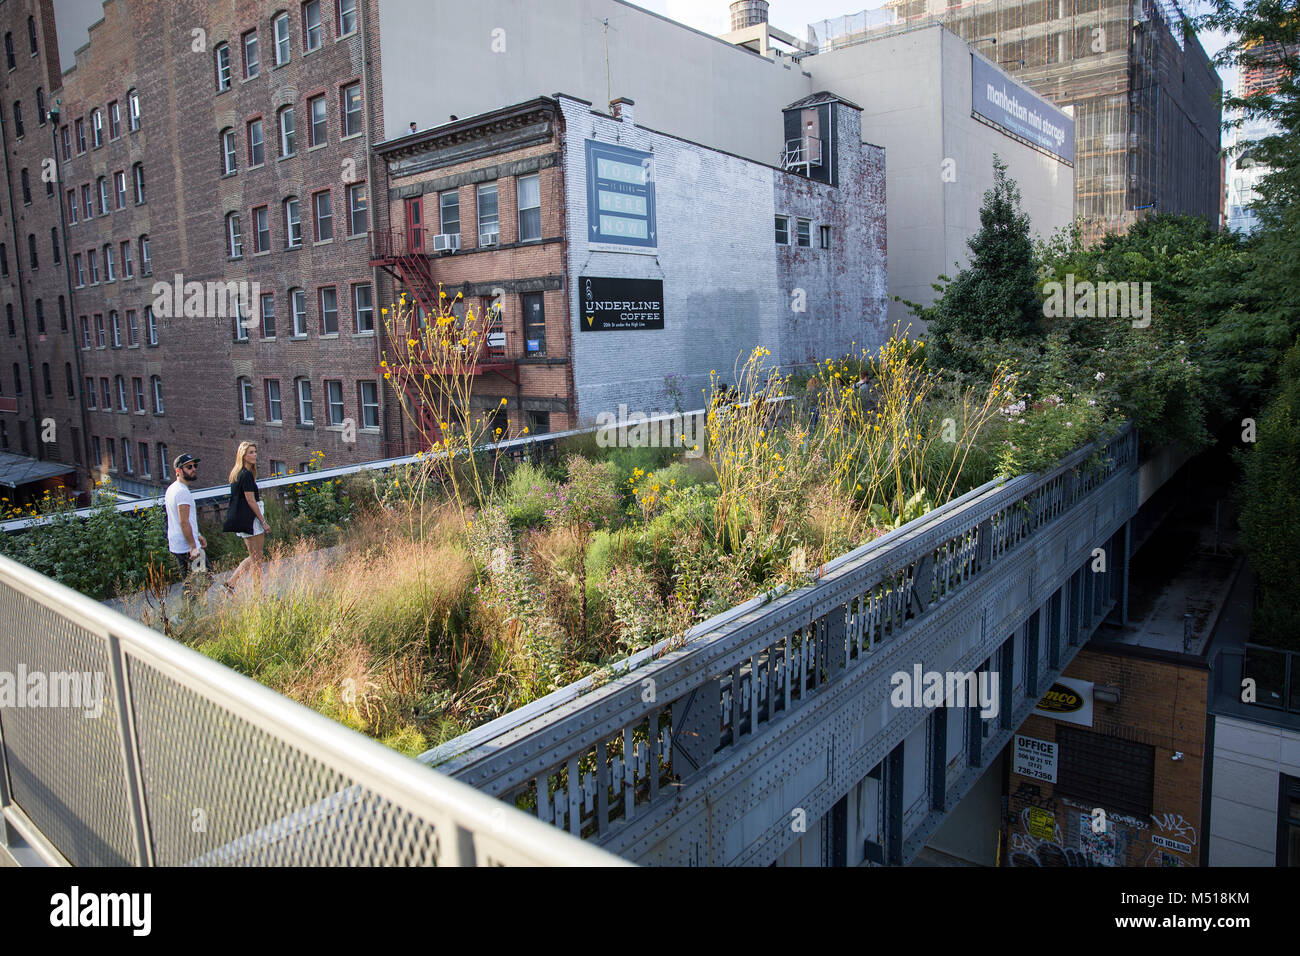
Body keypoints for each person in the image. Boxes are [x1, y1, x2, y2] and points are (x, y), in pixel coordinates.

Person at [222, 441, 269, 593]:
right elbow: (250, 500)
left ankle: (231, 583)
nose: (254, 455)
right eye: (251, 452)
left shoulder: (238, 473)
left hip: (243, 518)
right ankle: (258, 592)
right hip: (251, 518)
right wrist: (263, 521)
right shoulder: (246, 475)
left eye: (255, 452)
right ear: (243, 455)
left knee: (255, 556)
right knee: (257, 559)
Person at [163, 453, 207, 600]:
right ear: (178, 471)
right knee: (205, 578)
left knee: (190, 581)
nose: (193, 469)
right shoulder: (182, 492)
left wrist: (197, 534)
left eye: (195, 466)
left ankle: (186, 614)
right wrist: (193, 546)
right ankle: (183, 614)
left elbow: (182, 520)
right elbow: (183, 521)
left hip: (178, 543)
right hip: (186, 546)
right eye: (189, 467)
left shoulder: (173, 488)